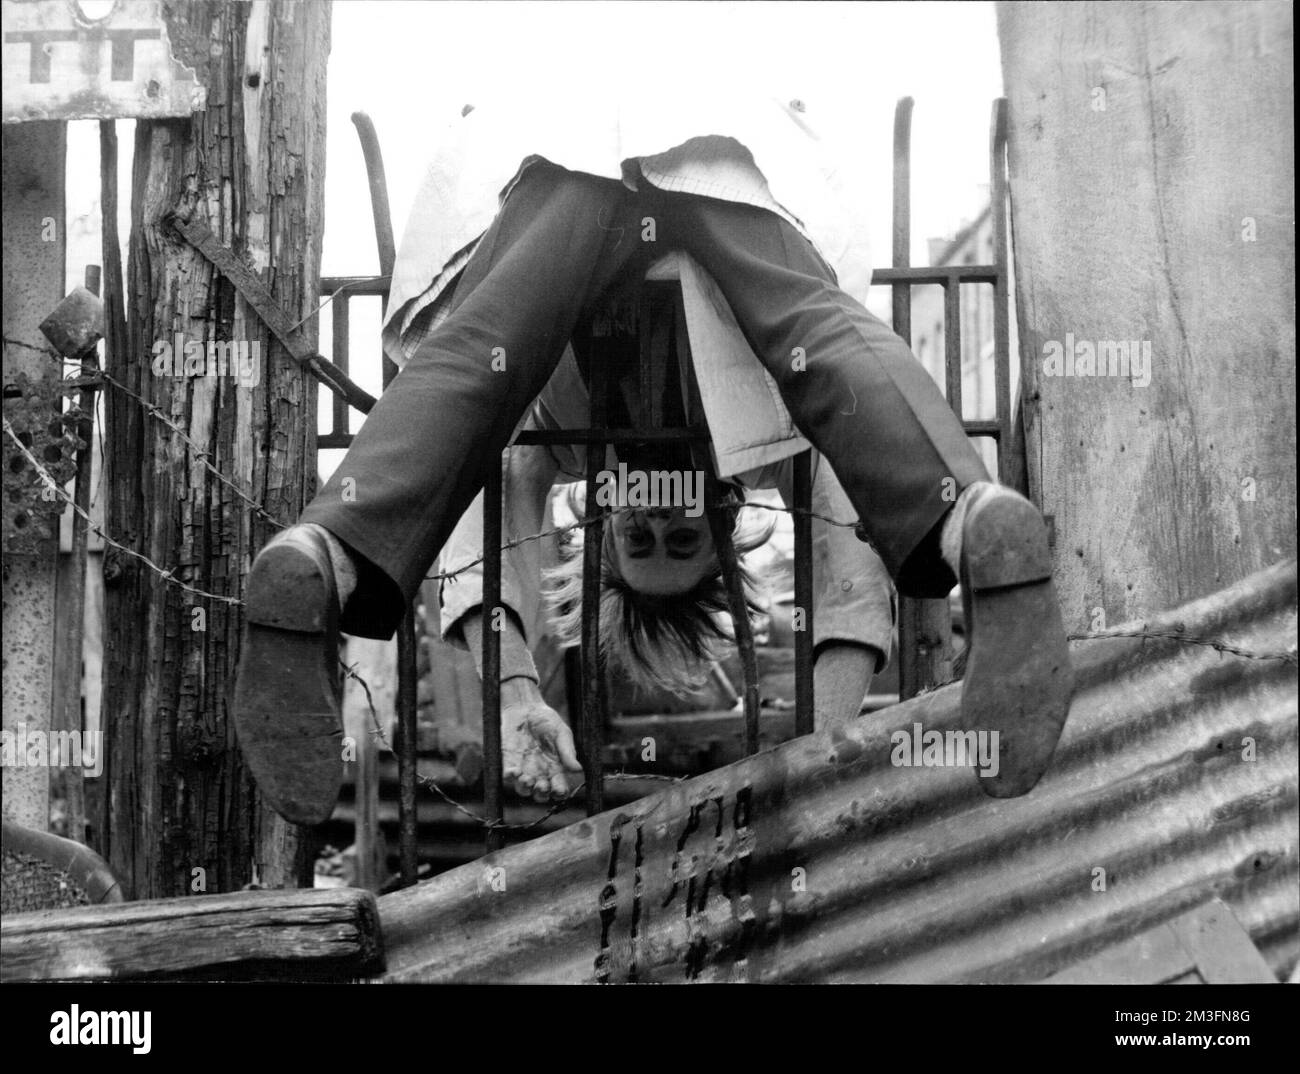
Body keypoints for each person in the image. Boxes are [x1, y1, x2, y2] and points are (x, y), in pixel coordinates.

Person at [232, 90, 1072, 826]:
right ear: (724, 527)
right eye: (679, 544)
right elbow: (842, 538)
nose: (662, 523)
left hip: (599, 155)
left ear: (600, 525)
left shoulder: (564, 436)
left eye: (641, 546)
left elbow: (493, 483)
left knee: (479, 360)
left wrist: (518, 689)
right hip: (708, 154)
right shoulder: (761, 443)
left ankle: (330, 551)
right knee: (813, 326)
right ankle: (968, 518)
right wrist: (826, 741)